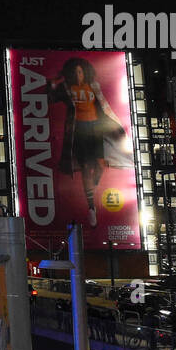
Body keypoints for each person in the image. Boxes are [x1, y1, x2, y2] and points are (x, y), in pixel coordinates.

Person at [49, 56, 130, 228]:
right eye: (75, 72)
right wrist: (54, 82)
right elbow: (50, 98)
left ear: (85, 72)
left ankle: (91, 188)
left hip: (96, 128)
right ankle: (91, 206)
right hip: (79, 130)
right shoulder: (66, 88)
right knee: (86, 167)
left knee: (100, 165)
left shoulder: (93, 87)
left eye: (80, 71)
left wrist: (115, 125)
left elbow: (104, 106)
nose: (78, 75)